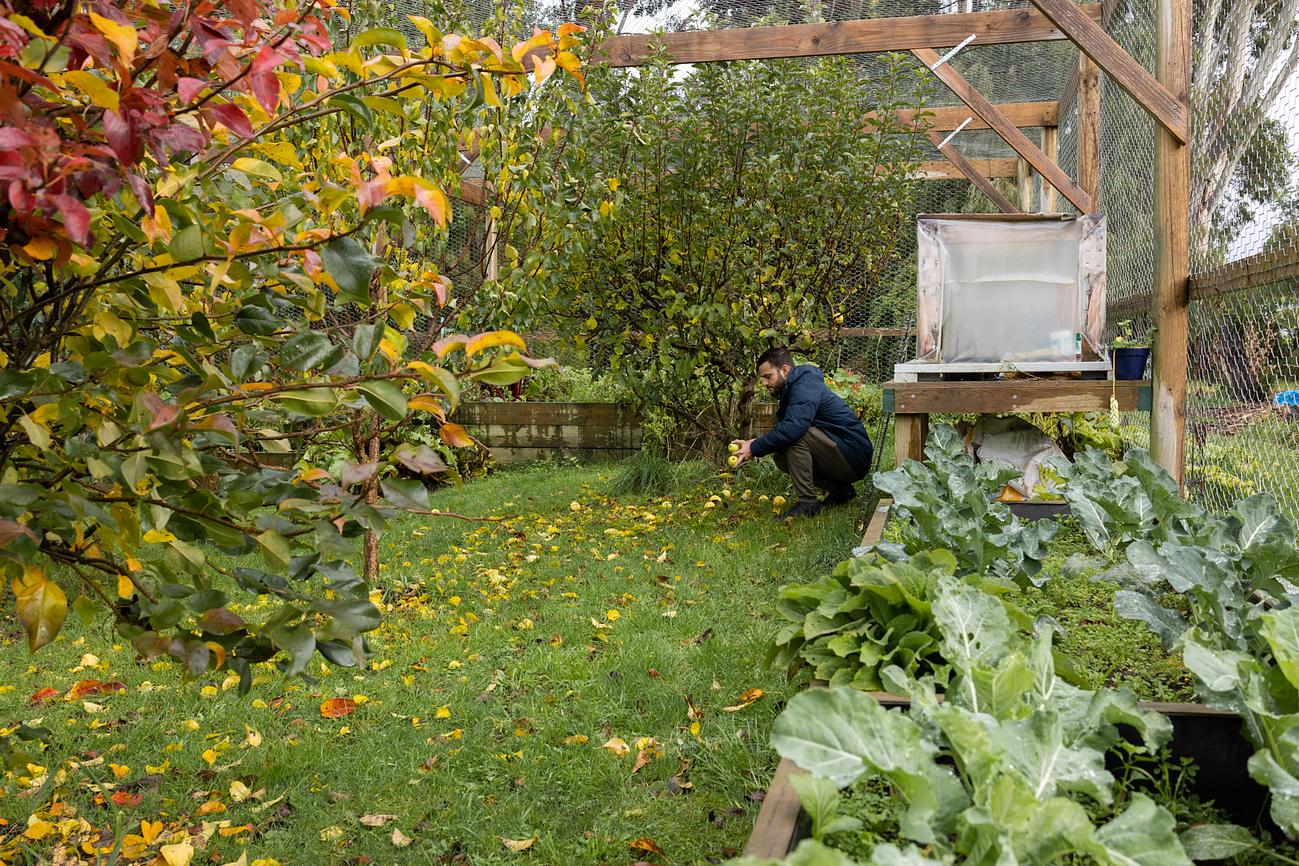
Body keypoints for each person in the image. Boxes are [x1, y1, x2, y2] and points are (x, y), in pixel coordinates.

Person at [732, 347, 873, 518]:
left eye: (768, 376)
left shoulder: (805, 385)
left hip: (854, 454)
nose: (765, 383)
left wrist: (754, 447)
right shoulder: (794, 388)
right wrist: (754, 444)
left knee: (795, 437)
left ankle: (807, 504)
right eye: (763, 378)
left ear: (785, 370)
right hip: (842, 452)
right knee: (781, 457)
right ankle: (840, 491)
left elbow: (793, 428)